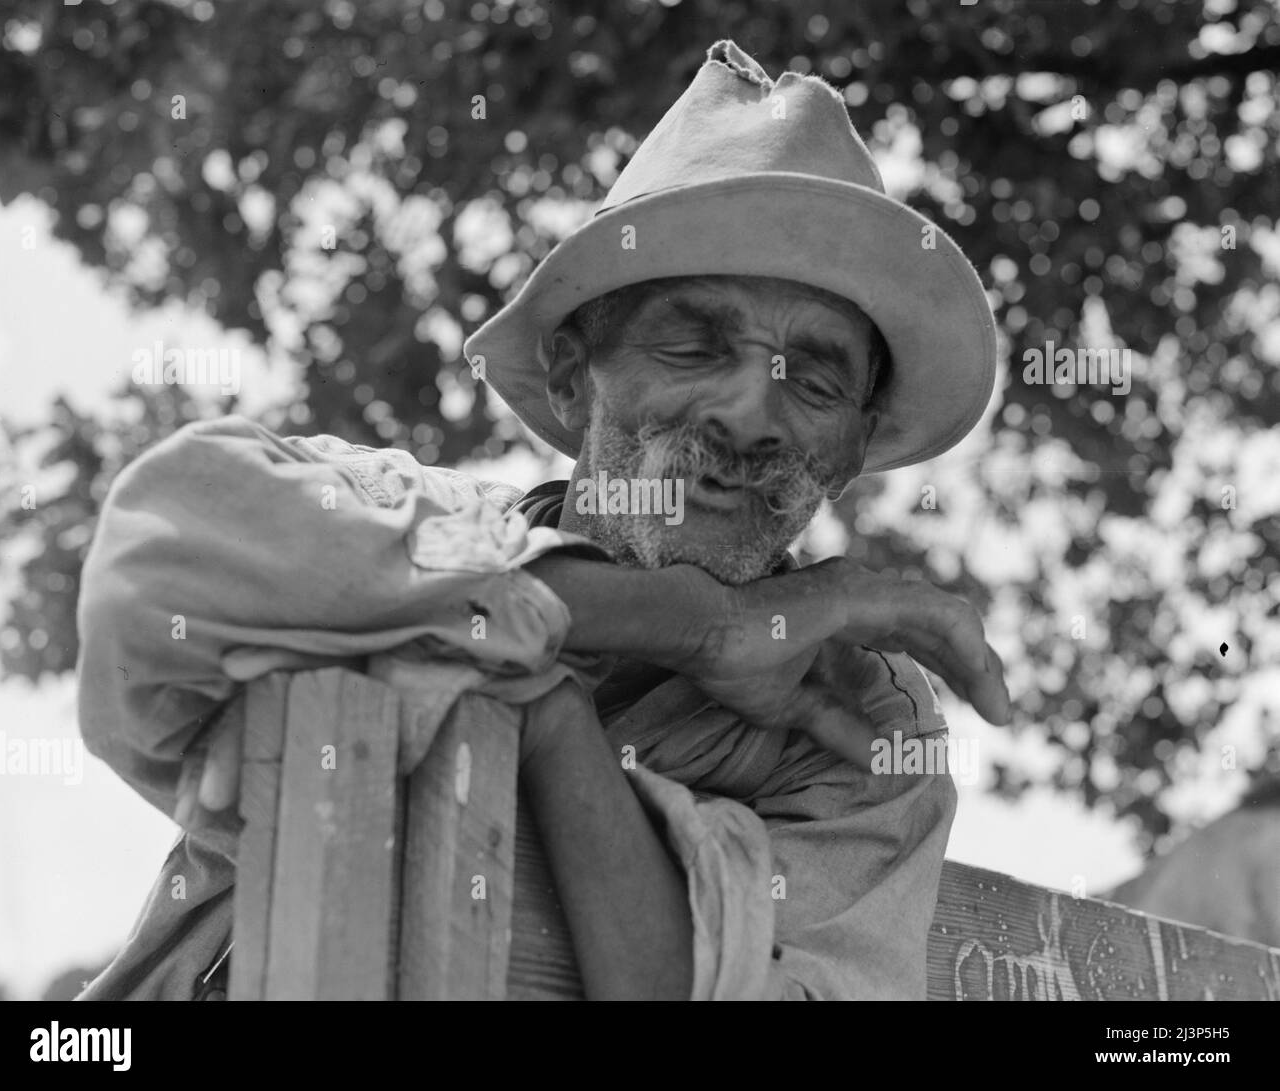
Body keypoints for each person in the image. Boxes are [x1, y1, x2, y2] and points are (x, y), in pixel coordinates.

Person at [76, 40, 1009, 1001]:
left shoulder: (866, 726)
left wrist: (534, 689)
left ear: (850, 453)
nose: (749, 414)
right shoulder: (397, 511)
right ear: (571, 375)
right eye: (692, 344)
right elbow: (153, 570)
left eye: (814, 381)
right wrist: (692, 624)